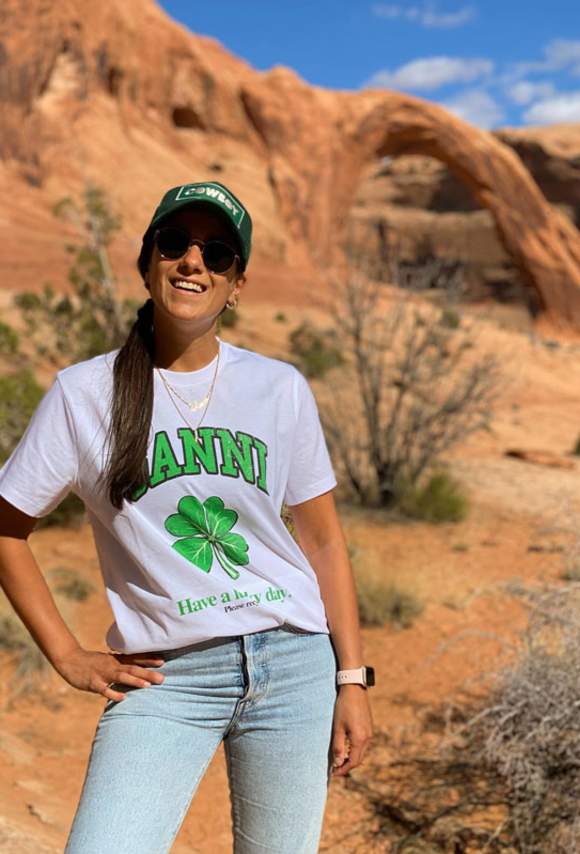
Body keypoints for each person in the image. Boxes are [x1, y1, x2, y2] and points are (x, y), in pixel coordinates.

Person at [0, 180, 375, 853]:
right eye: (175, 243)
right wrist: (65, 654)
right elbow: (6, 526)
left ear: (237, 283)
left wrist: (351, 678)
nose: (193, 261)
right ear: (148, 262)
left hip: (295, 665)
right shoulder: (85, 394)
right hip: (168, 676)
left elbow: (321, 541)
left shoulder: (279, 386)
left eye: (218, 252)